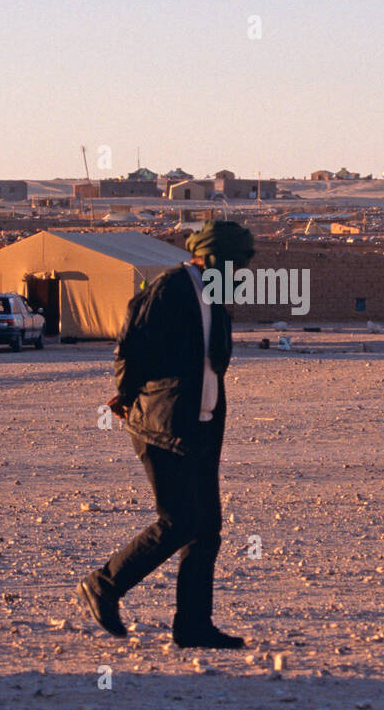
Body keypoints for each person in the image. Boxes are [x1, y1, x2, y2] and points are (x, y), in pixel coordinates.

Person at [77, 220, 255, 649]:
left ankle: (193, 626)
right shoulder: (171, 288)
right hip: (164, 425)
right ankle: (104, 584)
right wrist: (126, 394)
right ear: (216, 259)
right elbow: (132, 344)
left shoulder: (215, 296)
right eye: (238, 265)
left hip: (202, 425)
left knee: (206, 528)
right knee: (179, 521)